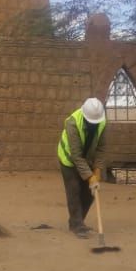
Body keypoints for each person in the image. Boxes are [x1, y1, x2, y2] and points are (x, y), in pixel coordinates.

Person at [58, 97, 108, 238]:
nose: (94, 125)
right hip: (69, 159)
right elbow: (76, 156)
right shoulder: (72, 123)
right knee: (74, 190)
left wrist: (97, 170)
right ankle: (76, 224)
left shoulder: (102, 121)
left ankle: (79, 221)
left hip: (87, 158)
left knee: (90, 193)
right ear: (85, 117)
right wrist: (90, 176)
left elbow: (101, 148)